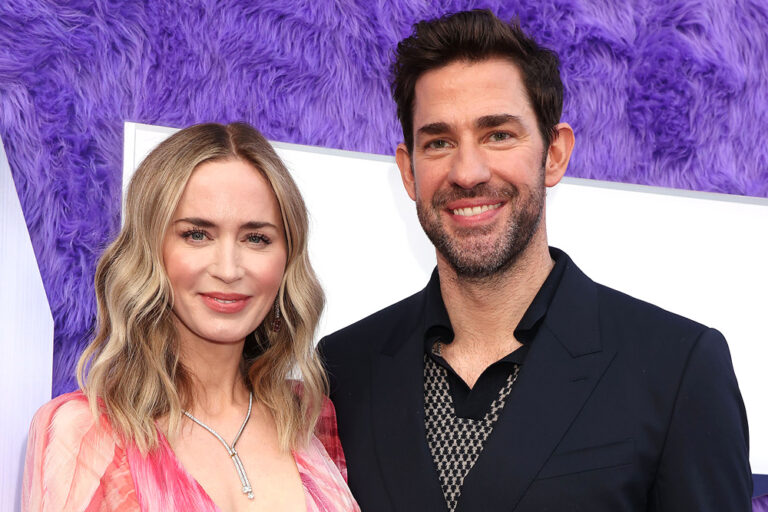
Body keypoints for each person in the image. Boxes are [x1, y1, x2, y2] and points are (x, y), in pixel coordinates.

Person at [319, 10, 751, 512]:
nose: (467, 172)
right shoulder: (344, 370)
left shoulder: (676, 368)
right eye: (438, 142)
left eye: (498, 134)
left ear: (555, 154)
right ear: (408, 172)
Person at [23, 122, 359, 511]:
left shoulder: (309, 417)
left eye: (256, 238)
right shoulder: (84, 431)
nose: (229, 269)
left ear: (287, 260)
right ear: (151, 251)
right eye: (197, 234)